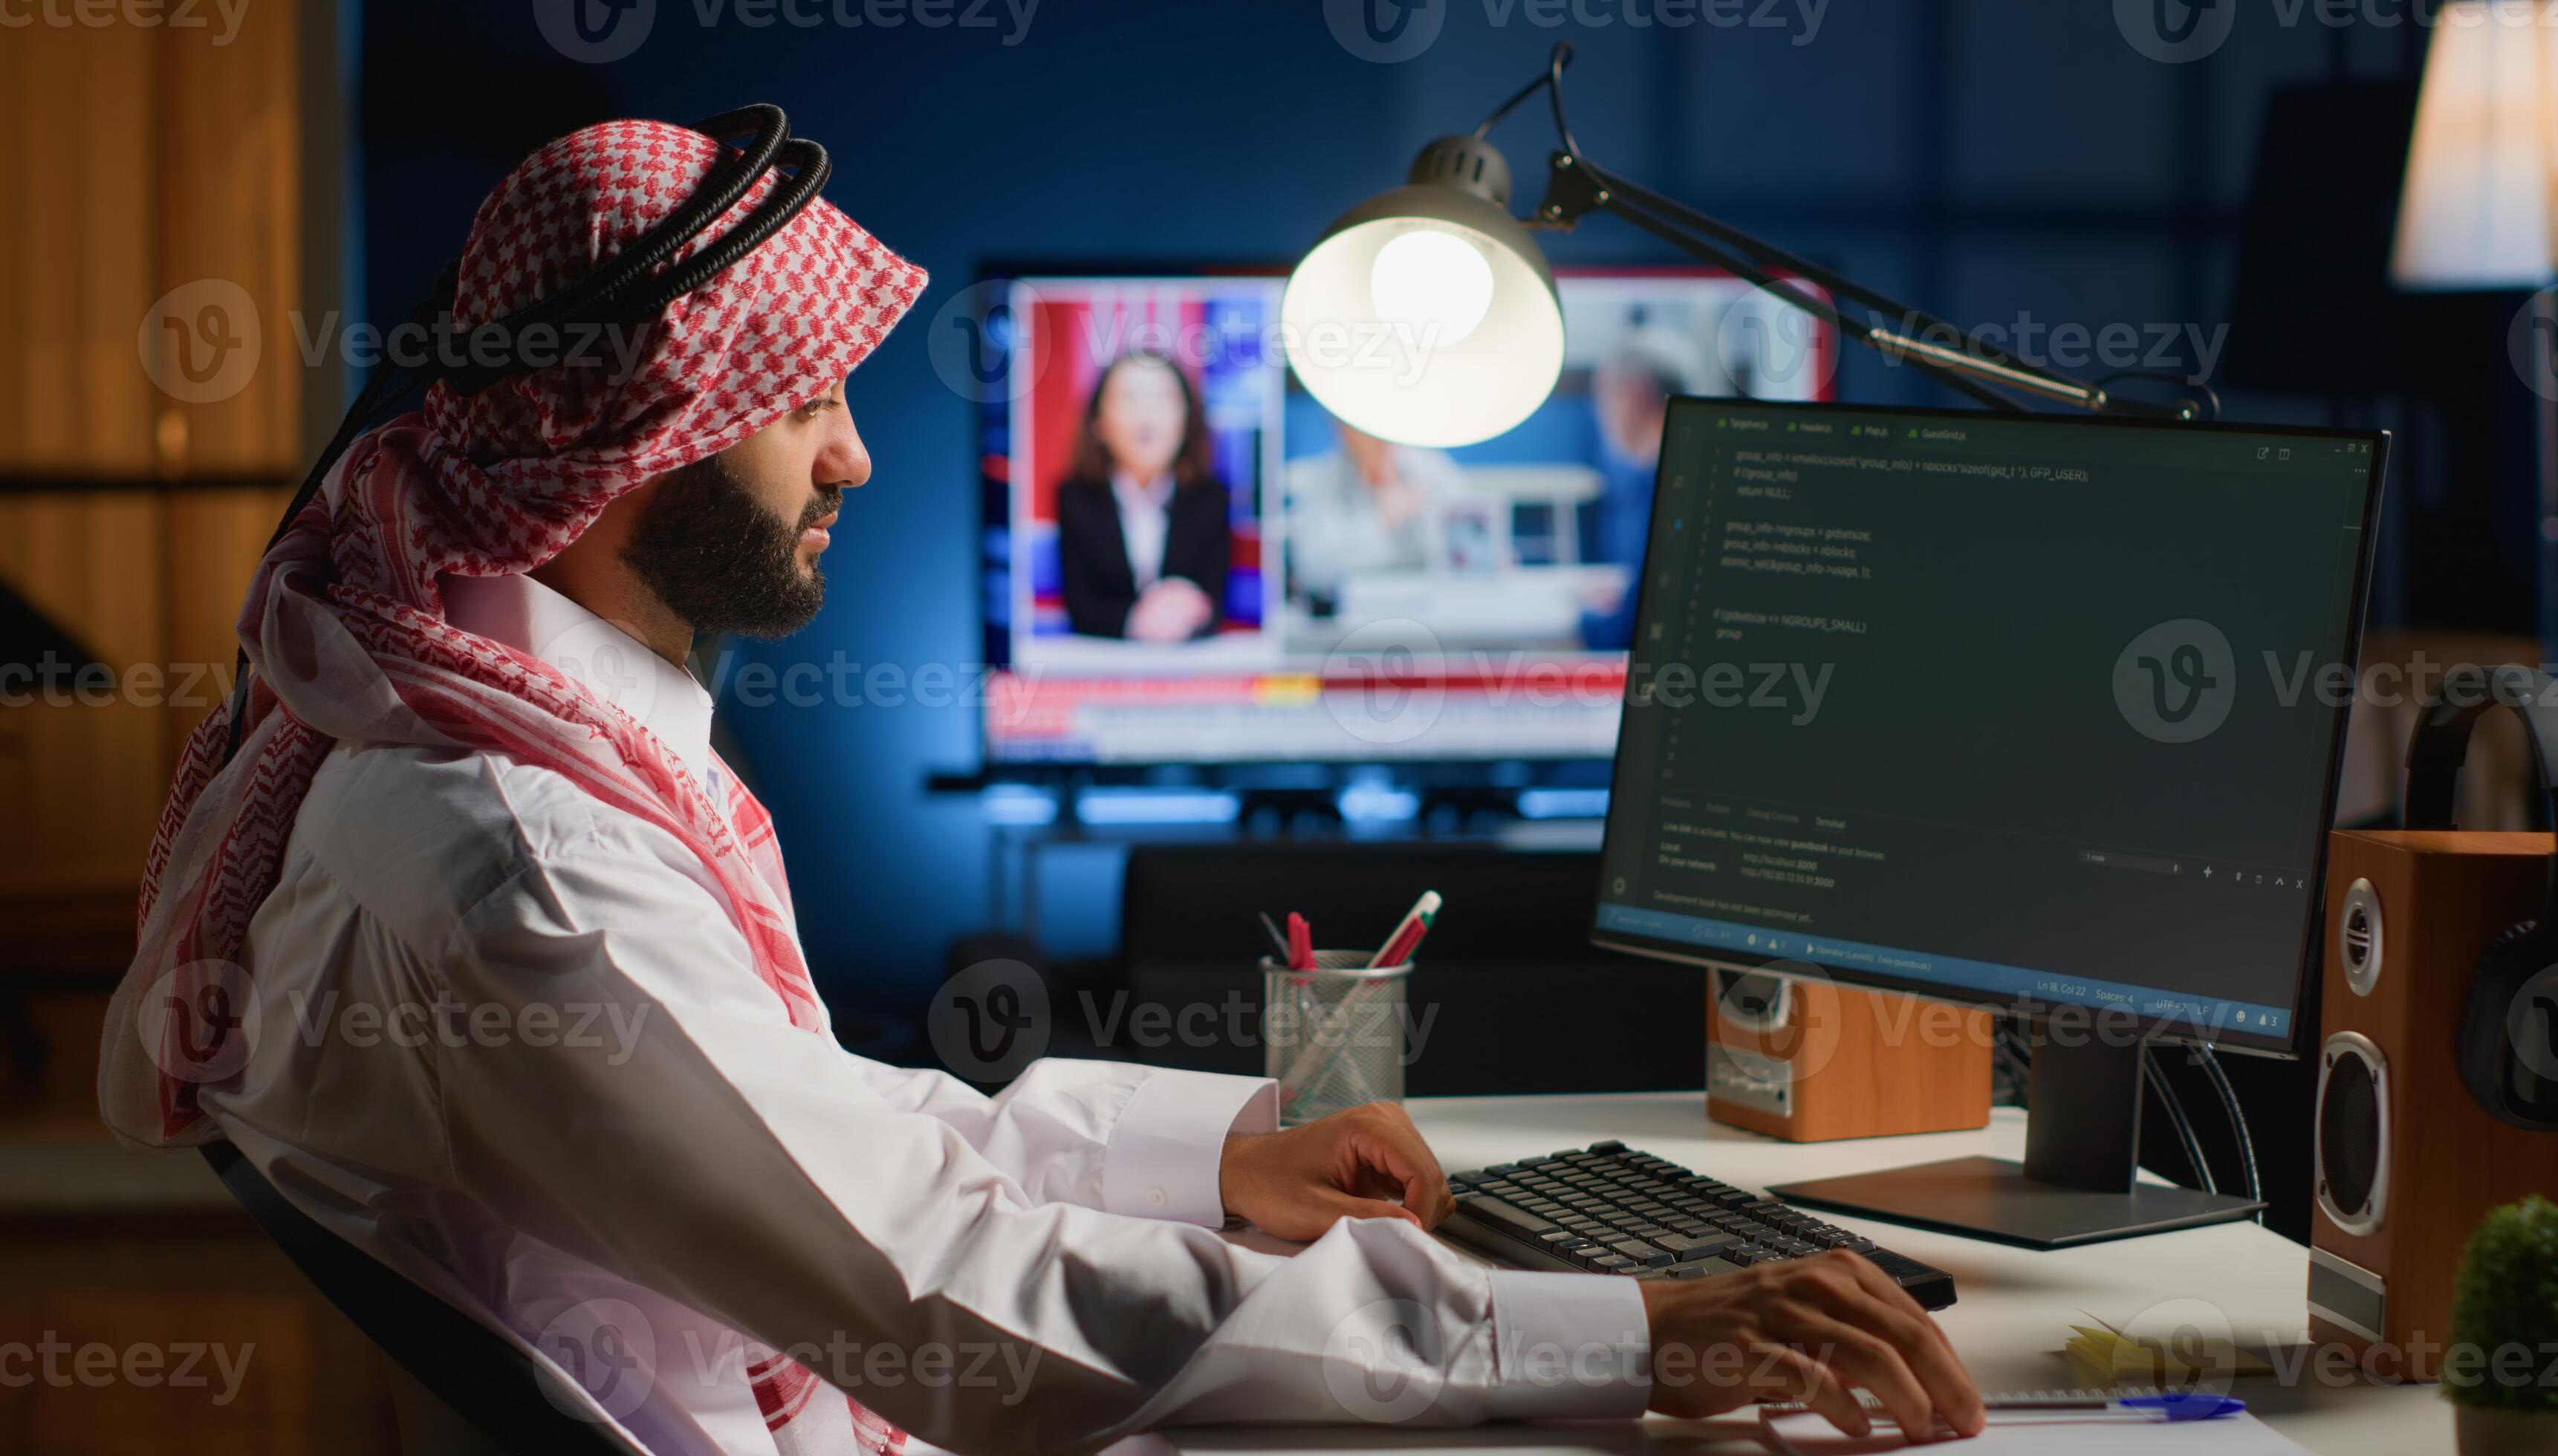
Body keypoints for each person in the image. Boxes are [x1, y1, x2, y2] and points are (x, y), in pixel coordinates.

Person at [99, 120, 1982, 1455]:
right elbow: (943, 1312)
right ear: (625, 440)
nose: (850, 456)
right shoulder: (521, 869)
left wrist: (1208, 1157)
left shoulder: (490, 730)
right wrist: (1624, 1330)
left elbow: (823, 1148)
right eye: (794, 403)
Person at [1053, 352, 1233, 642]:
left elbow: (1215, 604)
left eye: (1164, 398)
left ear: (1187, 419)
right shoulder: (1076, 498)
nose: (1147, 414)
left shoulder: (1211, 498)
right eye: (1129, 398)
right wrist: (1139, 619)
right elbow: (1082, 609)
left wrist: (1189, 613)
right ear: (1100, 423)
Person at [1580, 330, 1697, 651]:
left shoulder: (1662, 491)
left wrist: (1580, 617)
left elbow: (1624, 632)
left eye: (1603, 397)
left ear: (1633, 396)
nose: (1600, 416)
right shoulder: (1690, 475)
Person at [1284, 420, 1467, 605]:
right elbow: (1313, 570)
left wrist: (1420, 514)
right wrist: (1379, 522)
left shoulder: (1431, 470)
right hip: (1352, 617)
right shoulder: (1323, 480)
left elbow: (1463, 555)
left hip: (1430, 610)